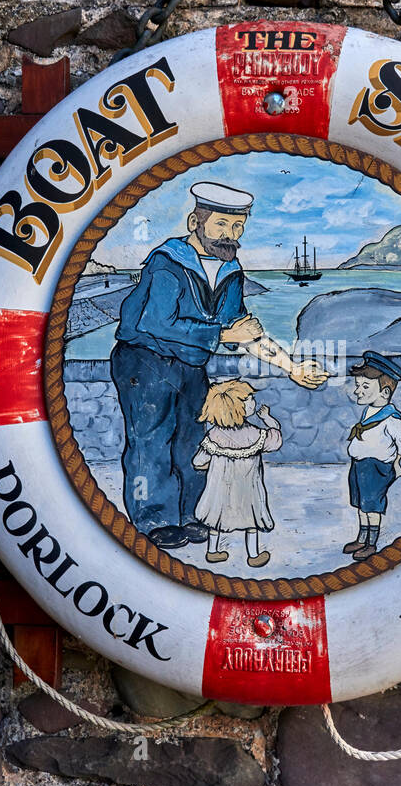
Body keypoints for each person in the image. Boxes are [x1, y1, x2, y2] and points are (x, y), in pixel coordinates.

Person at [110, 181, 328, 550]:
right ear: (196, 221)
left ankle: (192, 515)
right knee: (151, 439)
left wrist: (292, 367)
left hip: (190, 364)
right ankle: (155, 520)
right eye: (222, 226)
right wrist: (224, 337)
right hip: (145, 360)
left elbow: (244, 329)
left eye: (238, 227)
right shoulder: (167, 262)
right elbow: (159, 323)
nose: (231, 235)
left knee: (192, 438)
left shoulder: (230, 271)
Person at [192, 380, 282, 568]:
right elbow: (275, 440)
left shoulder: (214, 435)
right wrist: (268, 419)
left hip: (220, 489)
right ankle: (254, 555)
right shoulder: (254, 434)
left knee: (216, 519)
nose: (253, 402)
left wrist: (207, 466)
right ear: (235, 408)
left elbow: (198, 461)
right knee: (251, 521)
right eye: (247, 400)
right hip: (247, 489)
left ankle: (212, 551)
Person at [343, 351, 401, 561]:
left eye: (365, 386)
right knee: (361, 505)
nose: (357, 391)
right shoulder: (370, 412)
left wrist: (397, 462)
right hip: (360, 466)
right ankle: (361, 538)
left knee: (372, 506)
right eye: (358, 385)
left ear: (384, 392)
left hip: (376, 468)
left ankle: (371, 544)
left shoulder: (390, 418)